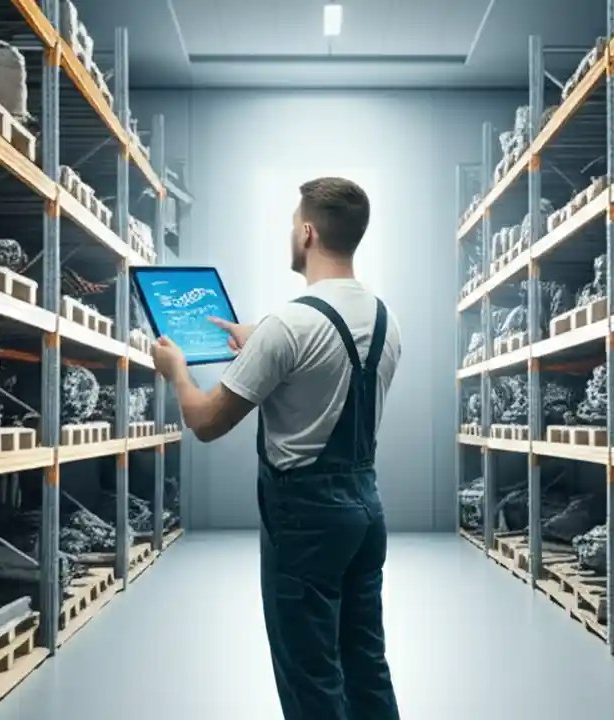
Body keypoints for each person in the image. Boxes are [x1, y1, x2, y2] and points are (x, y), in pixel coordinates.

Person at [150, 177, 402, 720]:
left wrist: (175, 372)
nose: (292, 233)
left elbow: (206, 420)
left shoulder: (287, 325)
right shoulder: (386, 318)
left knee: (309, 674)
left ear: (308, 232)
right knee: (365, 662)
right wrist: (260, 340)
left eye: (294, 224)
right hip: (365, 507)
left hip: (305, 521)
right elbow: (328, 361)